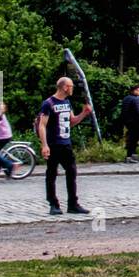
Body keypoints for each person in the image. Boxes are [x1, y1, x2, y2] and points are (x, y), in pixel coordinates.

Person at [37, 76, 92, 216]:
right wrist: (44, 145)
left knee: (71, 172)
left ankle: (73, 204)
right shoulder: (48, 103)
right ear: (65, 87)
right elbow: (41, 125)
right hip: (53, 144)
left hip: (66, 144)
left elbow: (71, 122)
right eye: (71, 86)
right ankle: (53, 204)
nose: (72, 88)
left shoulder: (67, 102)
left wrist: (84, 114)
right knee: (51, 174)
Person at [120, 83, 139, 164]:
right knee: (133, 139)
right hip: (135, 122)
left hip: (127, 122)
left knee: (132, 139)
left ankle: (132, 155)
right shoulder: (135, 99)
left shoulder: (126, 98)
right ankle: (129, 157)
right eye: (138, 90)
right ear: (134, 91)